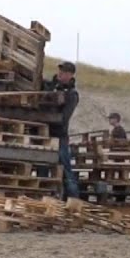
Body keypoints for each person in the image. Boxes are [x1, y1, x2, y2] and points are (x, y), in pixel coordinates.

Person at [49, 62, 81, 199]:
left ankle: (74, 200)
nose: (60, 74)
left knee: (66, 170)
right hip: (48, 134)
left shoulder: (72, 94)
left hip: (60, 135)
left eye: (63, 72)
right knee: (45, 167)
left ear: (70, 75)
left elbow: (64, 118)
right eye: (59, 71)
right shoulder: (54, 87)